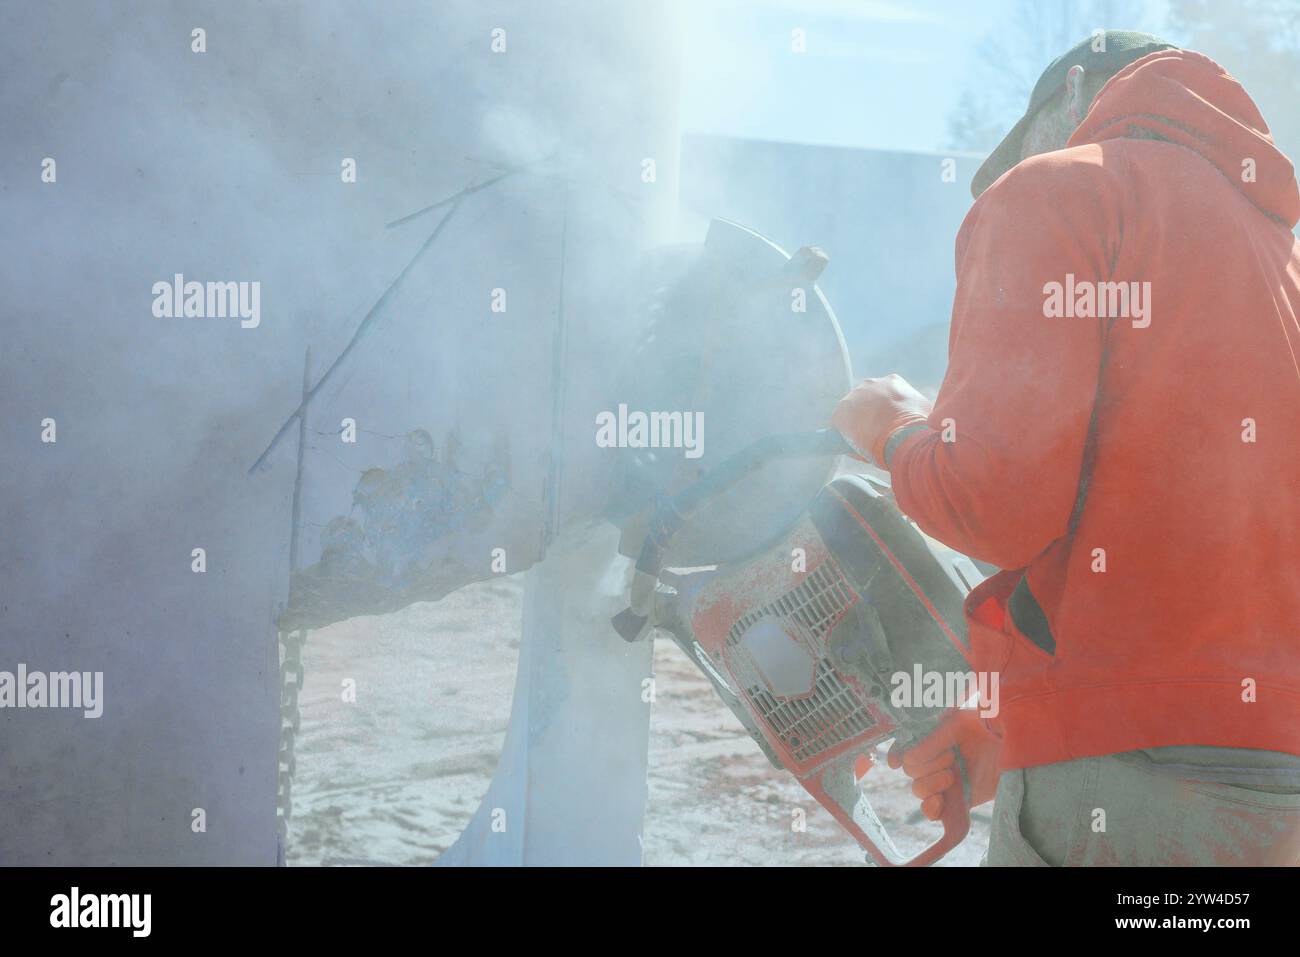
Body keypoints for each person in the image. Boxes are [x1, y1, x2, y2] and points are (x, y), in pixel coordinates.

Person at [833, 32, 1300, 865]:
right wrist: (1022, 722)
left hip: (1124, 783)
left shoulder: (1061, 190)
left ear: (1077, 88)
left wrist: (893, 426)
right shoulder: (1279, 262)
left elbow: (990, 501)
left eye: (1027, 142)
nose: (1023, 165)